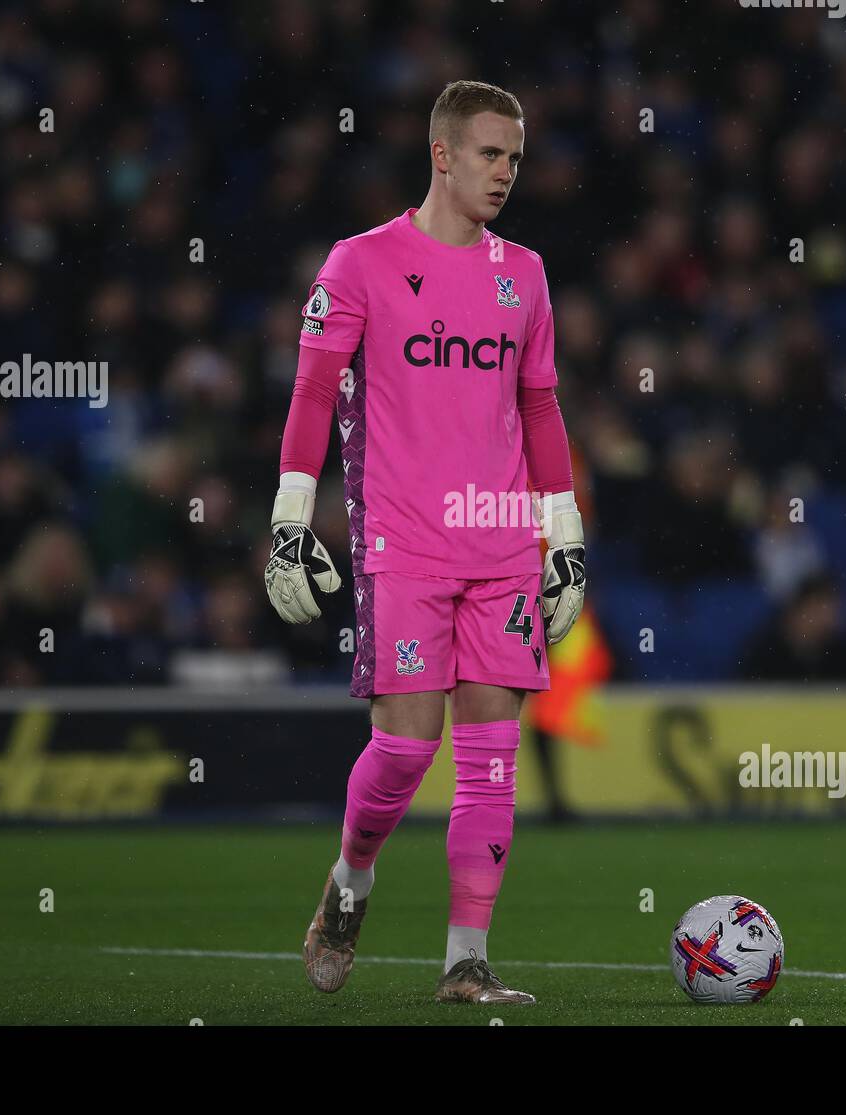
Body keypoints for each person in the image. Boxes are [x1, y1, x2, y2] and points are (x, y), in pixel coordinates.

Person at [264, 81, 585, 1004]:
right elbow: (314, 393)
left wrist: (562, 533)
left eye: (516, 158)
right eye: (491, 154)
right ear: (442, 154)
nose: (506, 173)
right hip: (401, 540)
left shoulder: (523, 272)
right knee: (406, 752)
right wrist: (290, 518)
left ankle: (465, 960)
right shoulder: (360, 263)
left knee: (490, 757)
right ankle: (351, 880)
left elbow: (539, 403)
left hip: (502, 543)